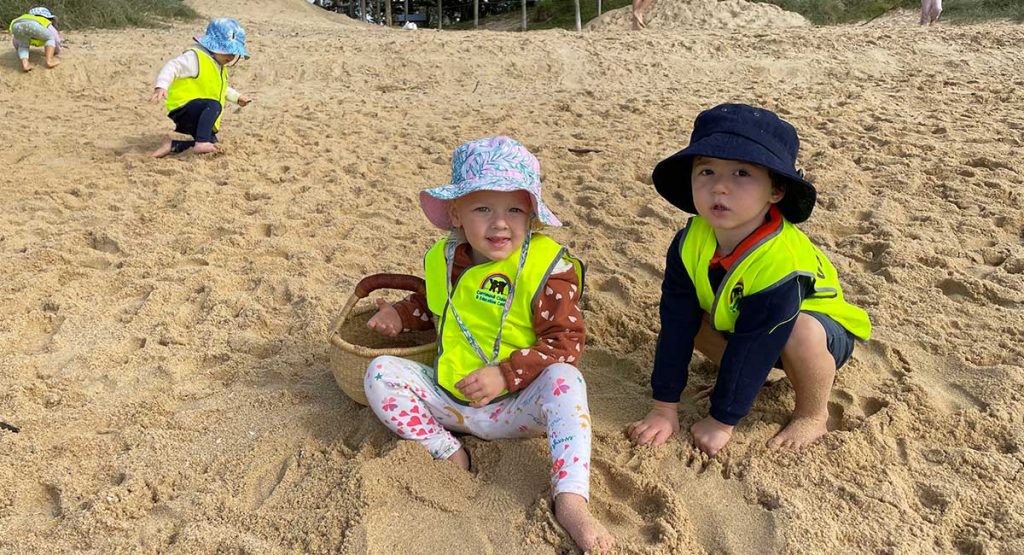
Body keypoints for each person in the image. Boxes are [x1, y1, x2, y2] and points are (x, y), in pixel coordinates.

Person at [363, 136, 615, 553]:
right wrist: (403, 316)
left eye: (514, 209)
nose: (500, 223)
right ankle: (445, 449)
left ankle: (571, 500)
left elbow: (566, 342)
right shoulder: (445, 259)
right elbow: (436, 307)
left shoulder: (548, 269)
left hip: (517, 408)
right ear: (456, 213)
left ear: (531, 216)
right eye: (483, 208)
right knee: (381, 373)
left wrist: (506, 374)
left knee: (567, 381)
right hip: (449, 402)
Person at [628, 104, 872, 457]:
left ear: (775, 190)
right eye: (707, 171)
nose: (720, 188)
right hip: (745, 323)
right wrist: (664, 408)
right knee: (688, 316)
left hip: (818, 335)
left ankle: (812, 413)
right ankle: (749, 382)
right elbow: (676, 323)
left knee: (799, 330)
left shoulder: (780, 260)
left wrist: (722, 420)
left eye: (742, 173)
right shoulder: (689, 240)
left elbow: (760, 340)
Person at [149, 18, 252, 158]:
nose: (232, 56)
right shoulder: (195, 57)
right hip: (184, 108)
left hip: (199, 112)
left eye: (234, 52)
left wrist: (237, 97)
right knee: (214, 105)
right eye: (227, 50)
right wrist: (161, 86)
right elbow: (173, 67)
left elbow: (221, 88)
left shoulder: (217, 65)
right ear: (213, 45)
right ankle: (201, 143)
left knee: (214, 144)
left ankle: (172, 145)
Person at [9, 7, 61, 72]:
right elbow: (55, 36)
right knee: (50, 38)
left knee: (23, 45)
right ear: (48, 18)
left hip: (15, 24)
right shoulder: (43, 20)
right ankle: (49, 61)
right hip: (32, 25)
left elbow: (16, 40)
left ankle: (25, 65)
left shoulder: (26, 17)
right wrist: (56, 50)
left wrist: (17, 47)